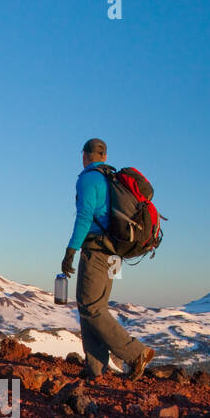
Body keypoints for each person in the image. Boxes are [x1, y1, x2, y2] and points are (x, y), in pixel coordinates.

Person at [62, 138, 154, 380]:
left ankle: (136, 353)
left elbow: (84, 215)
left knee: (90, 307)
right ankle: (95, 369)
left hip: (98, 251)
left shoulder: (88, 178)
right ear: (104, 156)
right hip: (116, 254)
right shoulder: (111, 178)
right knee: (93, 307)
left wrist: (71, 250)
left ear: (84, 155)